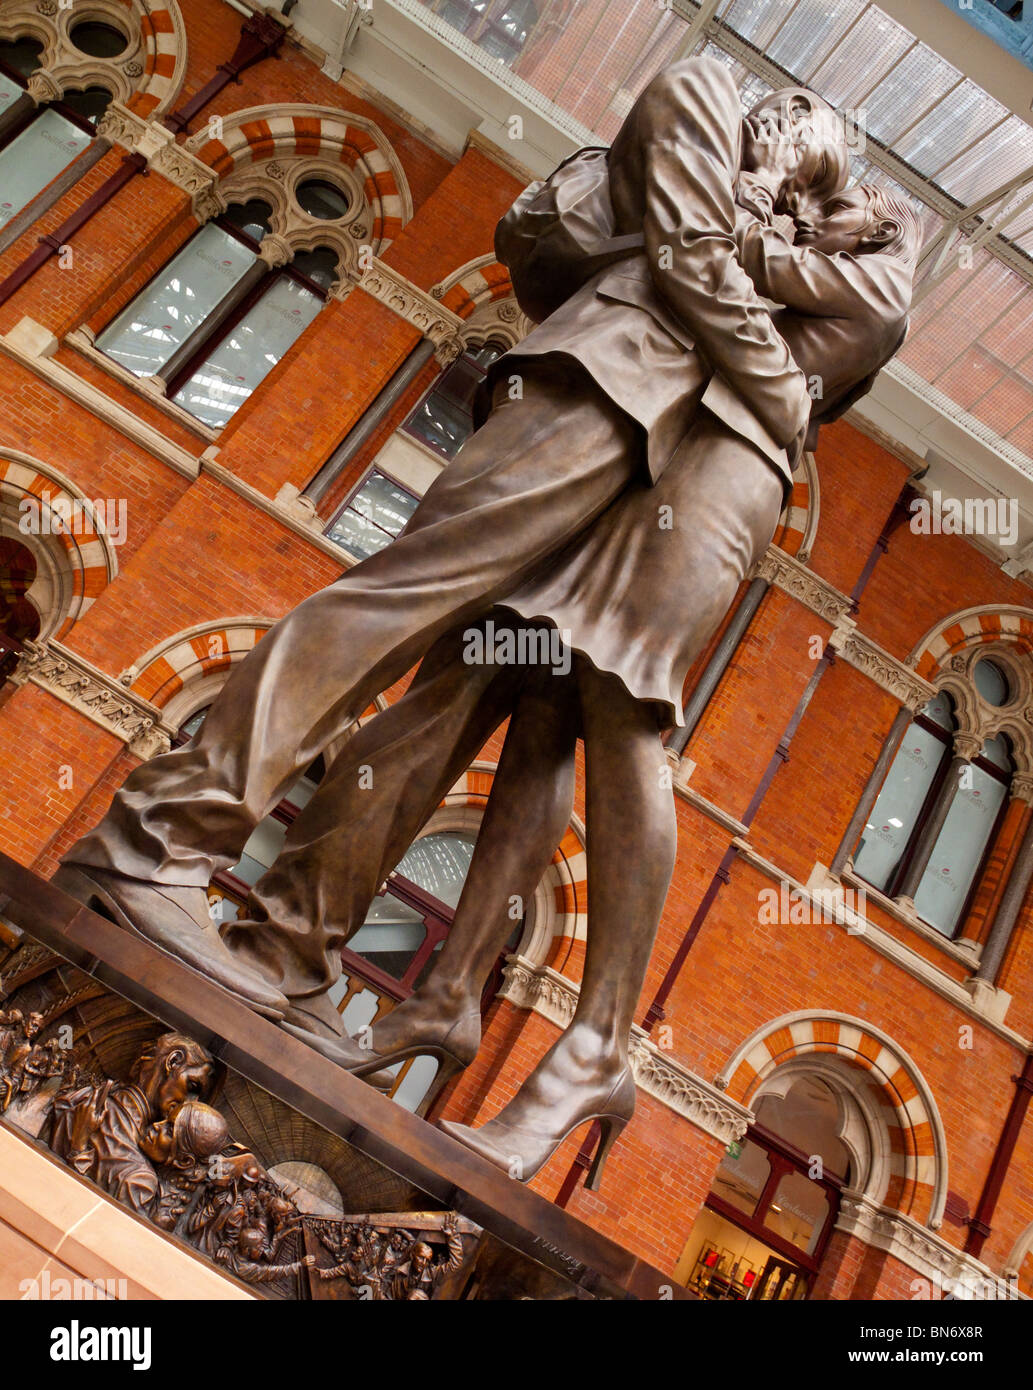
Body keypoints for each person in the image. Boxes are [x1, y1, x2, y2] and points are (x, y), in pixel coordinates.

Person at [53, 60, 849, 1034]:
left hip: (634, 448)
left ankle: (294, 943)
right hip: (591, 387)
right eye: (802, 178)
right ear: (785, 133)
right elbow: (688, 260)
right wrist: (780, 393)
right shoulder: (706, 91)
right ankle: (161, 833)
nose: (793, 206)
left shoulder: (760, 213)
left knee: (449, 697)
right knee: (393, 600)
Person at [273, 184, 920, 1185]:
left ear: (877, 222)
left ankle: (598, 1043)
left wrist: (724, 221)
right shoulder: (807, 265)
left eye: (832, 200)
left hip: (723, 479)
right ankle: (449, 989)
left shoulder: (877, 282)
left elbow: (718, 256)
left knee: (625, 706)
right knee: (542, 701)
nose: (809, 206)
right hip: (660, 463)